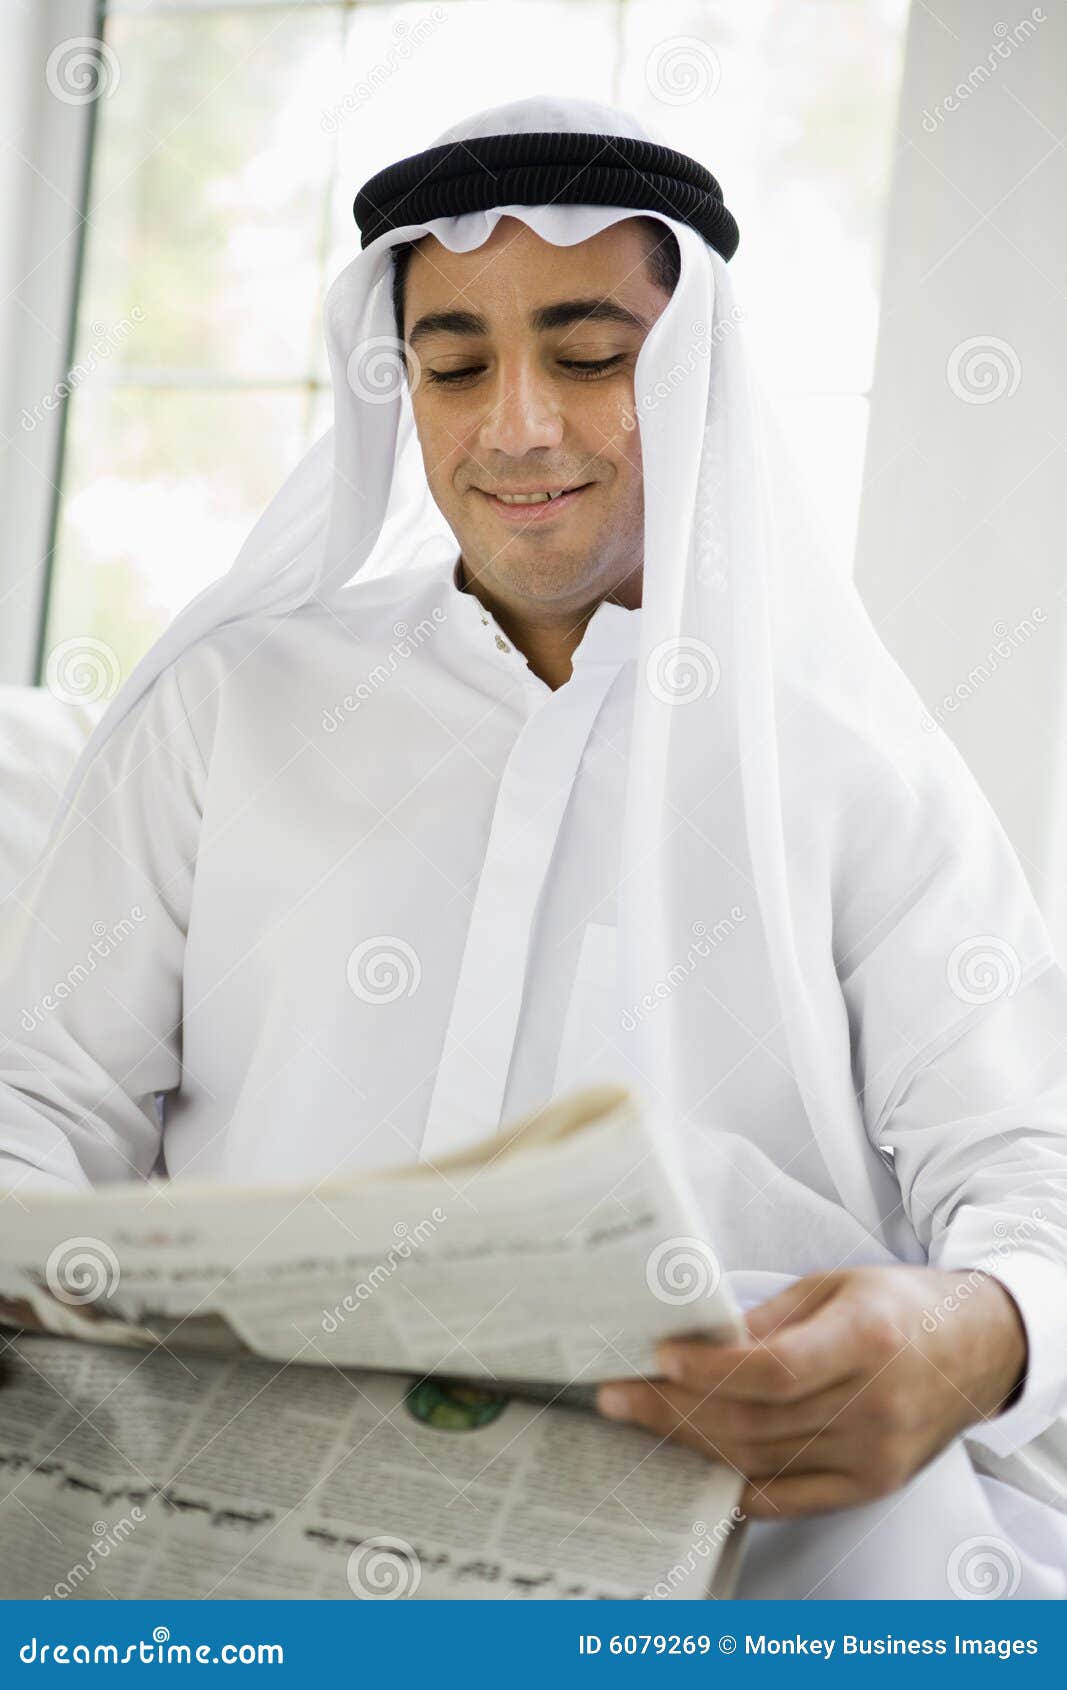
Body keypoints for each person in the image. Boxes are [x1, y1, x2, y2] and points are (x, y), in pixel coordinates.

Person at [1, 96, 1065, 1598]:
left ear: (695, 372)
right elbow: (33, 1108)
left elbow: (1032, 1169)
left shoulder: (858, 762)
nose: (517, 425)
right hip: (242, 1501)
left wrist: (979, 1334)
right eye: (453, 365)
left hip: (756, 1522)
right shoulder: (226, 711)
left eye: (589, 356)